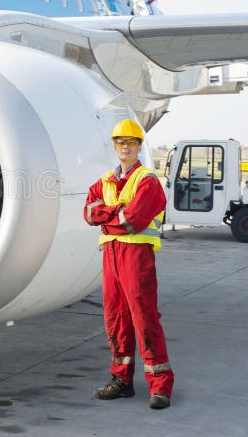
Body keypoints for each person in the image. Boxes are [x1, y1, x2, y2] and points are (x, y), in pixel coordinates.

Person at [83, 118, 174, 410]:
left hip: (136, 258)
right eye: (120, 142)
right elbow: (88, 212)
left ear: (139, 147)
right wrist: (116, 213)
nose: (125, 147)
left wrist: (109, 216)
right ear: (115, 146)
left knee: (144, 319)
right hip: (110, 255)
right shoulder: (106, 181)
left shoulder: (147, 181)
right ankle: (121, 381)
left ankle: (160, 387)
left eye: (130, 142)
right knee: (116, 319)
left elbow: (132, 221)